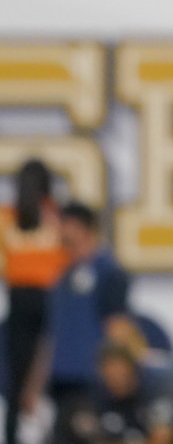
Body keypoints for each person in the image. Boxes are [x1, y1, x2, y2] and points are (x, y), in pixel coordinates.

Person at [28, 201, 133, 444]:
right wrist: (35, 385)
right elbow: (50, 335)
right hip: (61, 384)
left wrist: (115, 379)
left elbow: (118, 330)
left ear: (79, 226)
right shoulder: (60, 276)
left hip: (93, 384)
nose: (57, 231)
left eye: (63, 224)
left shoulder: (108, 272)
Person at [0, 158, 68, 444]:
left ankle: (14, 437)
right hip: (52, 300)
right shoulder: (58, 218)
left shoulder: (6, 218)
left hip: (19, 300)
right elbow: (67, 261)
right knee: (53, 374)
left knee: (18, 380)